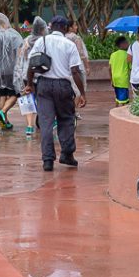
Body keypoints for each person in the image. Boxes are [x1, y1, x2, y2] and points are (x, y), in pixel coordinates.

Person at [24, 15, 86, 171]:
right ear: (65, 28)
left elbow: (31, 66)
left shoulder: (41, 41)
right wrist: (82, 93)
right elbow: (75, 71)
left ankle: (47, 160)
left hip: (44, 85)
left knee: (46, 123)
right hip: (63, 86)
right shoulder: (69, 44)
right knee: (66, 119)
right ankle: (66, 154)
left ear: (51, 27)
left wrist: (30, 84)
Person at [0, 13, 24, 130]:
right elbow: (20, 53)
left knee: (2, 94)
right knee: (15, 93)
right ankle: (3, 112)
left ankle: (4, 122)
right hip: (12, 70)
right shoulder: (15, 35)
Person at [13, 16, 47, 137]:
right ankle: (44, 123)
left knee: (28, 100)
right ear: (43, 29)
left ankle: (29, 126)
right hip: (41, 75)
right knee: (43, 100)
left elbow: (20, 58)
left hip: (26, 75)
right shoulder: (45, 41)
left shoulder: (26, 40)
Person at [65, 20, 91, 119]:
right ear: (70, 27)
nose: (76, 27)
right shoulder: (76, 38)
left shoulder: (62, 38)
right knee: (79, 91)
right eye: (75, 25)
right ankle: (73, 112)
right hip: (77, 67)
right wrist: (87, 66)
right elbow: (81, 53)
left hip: (65, 68)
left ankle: (70, 112)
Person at [109, 35, 131, 105]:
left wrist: (111, 79)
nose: (128, 44)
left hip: (115, 79)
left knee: (118, 96)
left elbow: (109, 68)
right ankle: (120, 113)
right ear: (122, 44)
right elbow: (130, 68)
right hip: (123, 80)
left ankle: (116, 108)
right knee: (124, 100)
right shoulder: (127, 55)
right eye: (127, 43)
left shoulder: (113, 55)